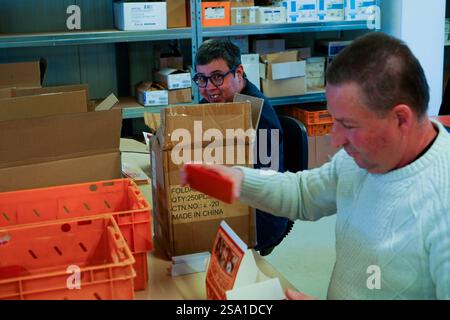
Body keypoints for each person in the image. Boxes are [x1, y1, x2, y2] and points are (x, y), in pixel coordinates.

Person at [183, 32, 450, 299]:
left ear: (401, 119)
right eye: (334, 120)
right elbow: (303, 193)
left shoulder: (441, 204)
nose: (335, 140)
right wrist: (238, 179)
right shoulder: (360, 159)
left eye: (349, 125)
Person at [193, 39, 294, 256]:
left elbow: (268, 183)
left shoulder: (260, 114)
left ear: (238, 72)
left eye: (217, 77)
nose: (209, 88)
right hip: (226, 200)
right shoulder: (213, 104)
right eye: (202, 79)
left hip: (261, 216)